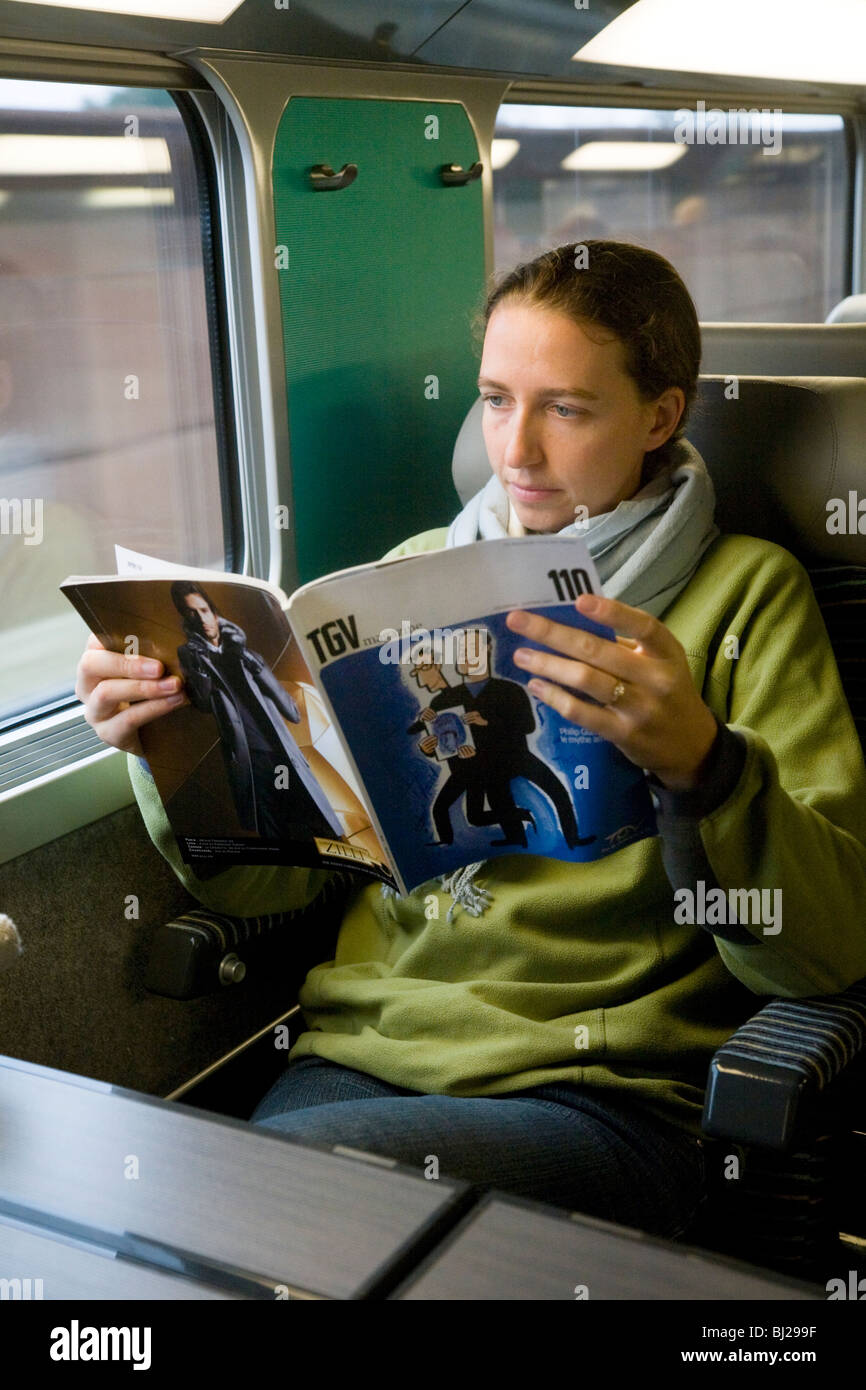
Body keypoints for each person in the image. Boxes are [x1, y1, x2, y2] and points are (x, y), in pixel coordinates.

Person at [75, 241, 866, 1242]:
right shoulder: (409, 576)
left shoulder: (746, 595)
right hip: (353, 1062)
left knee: (245, 1208)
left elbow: (824, 952)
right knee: (206, 1227)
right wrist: (170, 745)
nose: (514, 449)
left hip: (592, 1096)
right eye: (494, 399)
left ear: (659, 416)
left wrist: (702, 762)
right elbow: (269, 887)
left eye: (565, 408)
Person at [170, 581, 343, 844]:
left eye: (204, 610)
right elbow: (203, 702)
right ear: (185, 617)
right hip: (248, 757)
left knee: (310, 818)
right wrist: (199, 667)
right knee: (274, 832)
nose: (201, 618)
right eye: (191, 613)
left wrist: (245, 655)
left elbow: (291, 711)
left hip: (280, 749)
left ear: (214, 613)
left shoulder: (243, 651)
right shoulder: (190, 654)